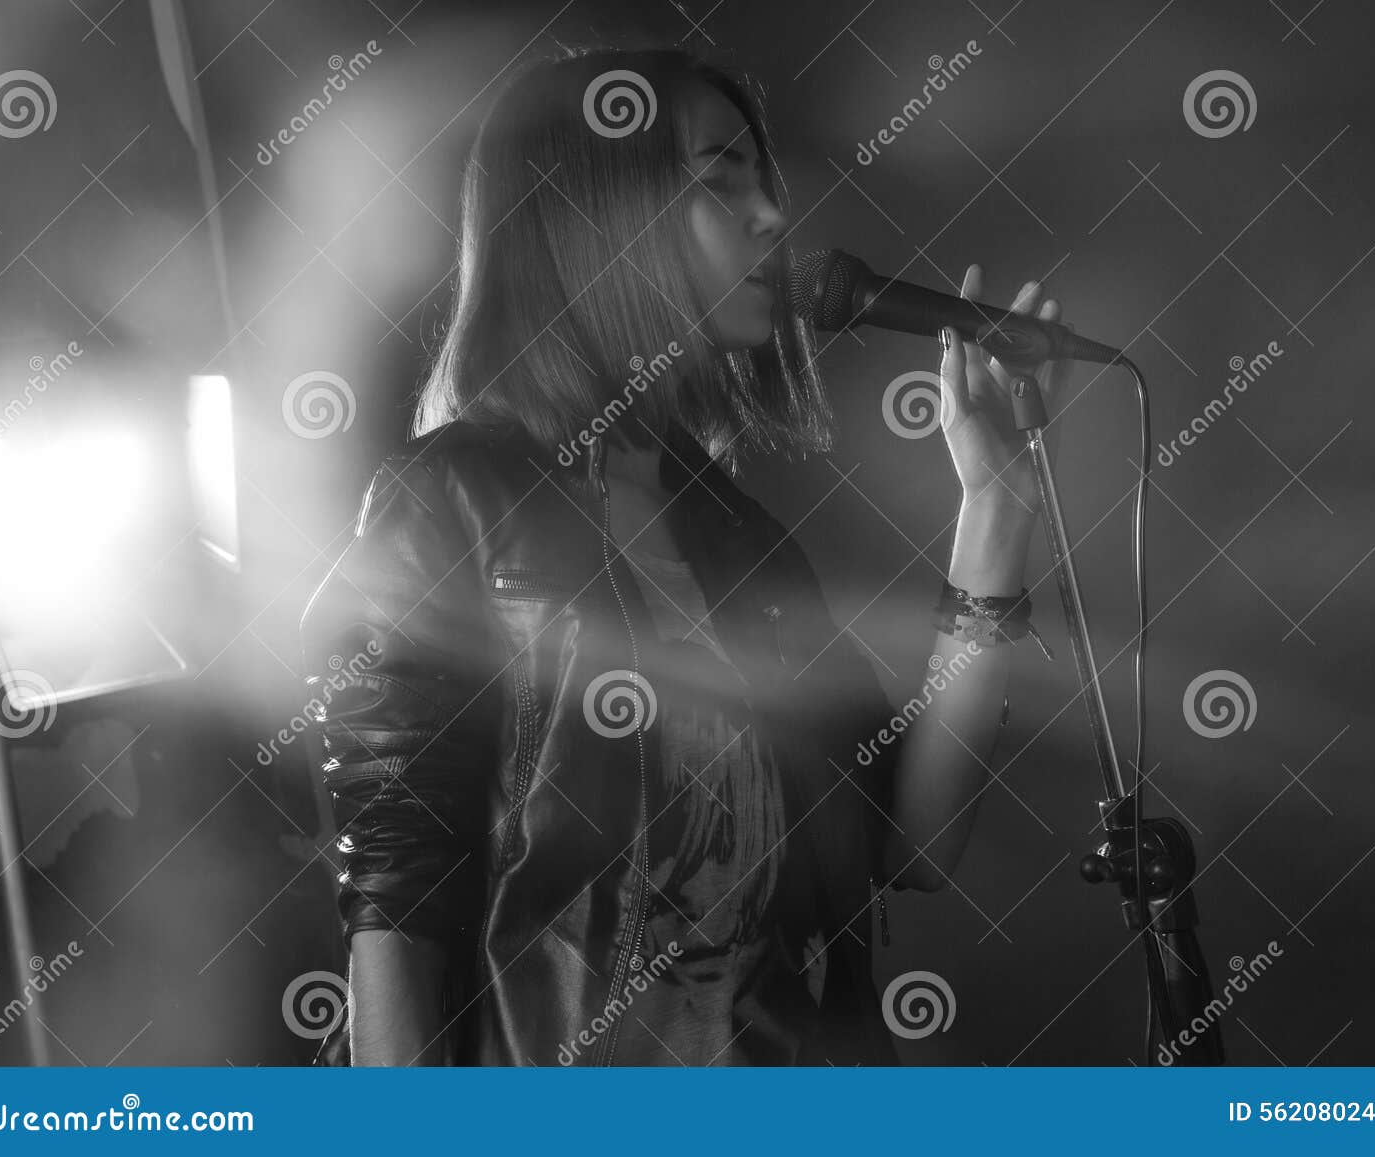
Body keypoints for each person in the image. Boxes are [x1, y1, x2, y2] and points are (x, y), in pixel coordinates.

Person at [299, 43, 1063, 1066]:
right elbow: (398, 896)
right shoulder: (453, 502)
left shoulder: (741, 537)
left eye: (762, 179)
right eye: (718, 179)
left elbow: (907, 839)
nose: (771, 218)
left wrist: (997, 513)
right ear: (595, 219)